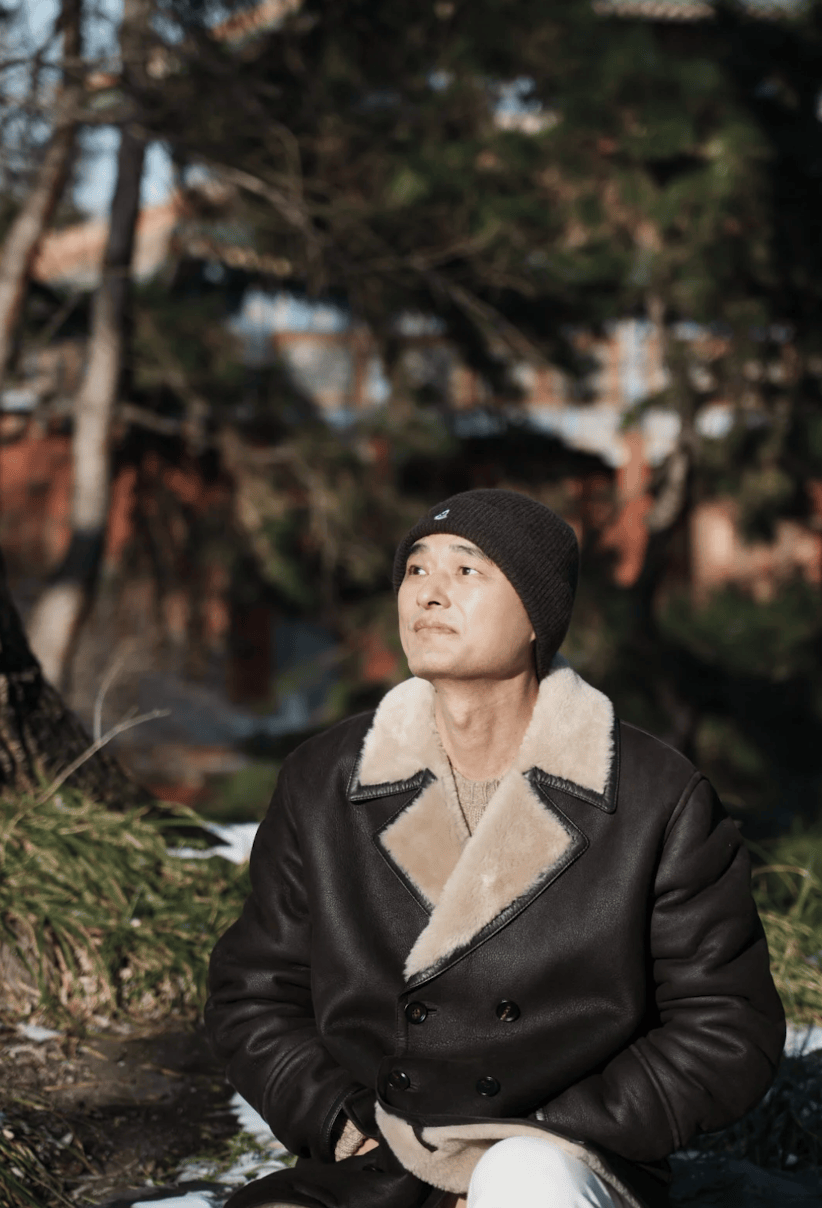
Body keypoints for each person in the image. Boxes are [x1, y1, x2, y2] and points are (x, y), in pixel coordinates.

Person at [205, 488, 786, 1208]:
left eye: (466, 570)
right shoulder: (326, 780)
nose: (429, 593)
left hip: (567, 1158)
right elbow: (254, 992)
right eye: (415, 570)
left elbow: (729, 1026)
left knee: (520, 1181)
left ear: (538, 614)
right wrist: (340, 1123)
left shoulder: (653, 796)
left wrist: (553, 1133)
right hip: (380, 1162)